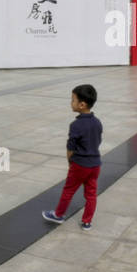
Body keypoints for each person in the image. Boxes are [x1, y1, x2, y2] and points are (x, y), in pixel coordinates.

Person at [40, 83, 104, 229]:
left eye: (73, 100)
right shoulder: (97, 122)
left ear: (82, 104)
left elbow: (70, 147)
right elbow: (98, 141)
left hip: (80, 165)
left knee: (69, 190)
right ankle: (87, 222)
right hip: (95, 165)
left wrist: (70, 162)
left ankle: (58, 215)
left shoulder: (76, 125)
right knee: (91, 194)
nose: (71, 103)